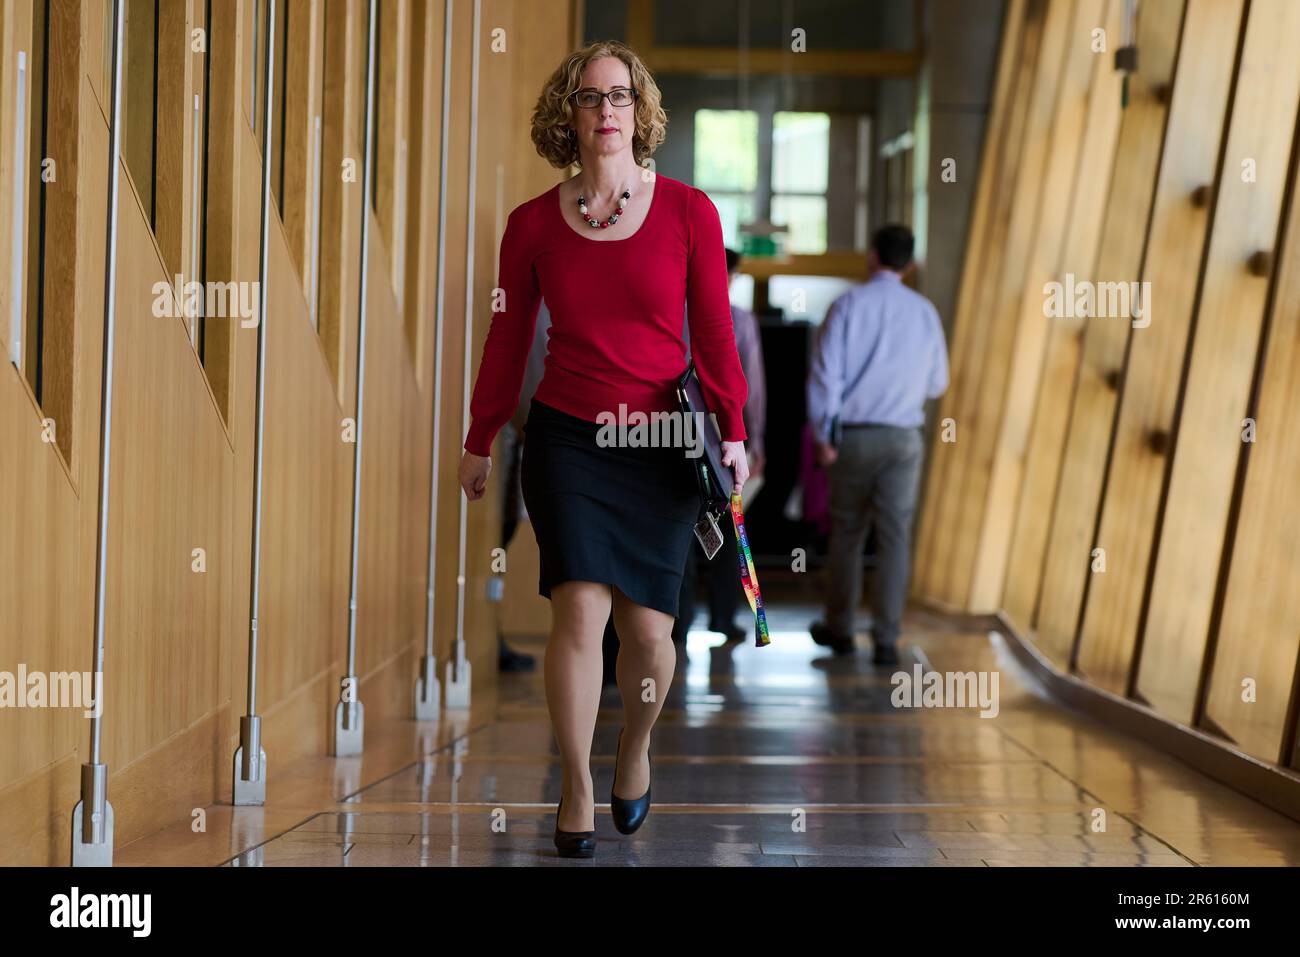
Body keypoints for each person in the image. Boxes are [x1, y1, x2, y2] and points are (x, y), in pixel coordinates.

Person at [457, 41, 749, 859]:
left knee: (651, 635)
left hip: (660, 441)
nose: (608, 110)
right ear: (570, 116)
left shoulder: (691, 213)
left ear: (640, 112)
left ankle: (636, 744)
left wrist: (734, 431)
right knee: (580, 610)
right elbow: (508, 337)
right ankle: (578, 783)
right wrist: (480, 437)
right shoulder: (531, 226)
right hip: (570, 438)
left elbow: (716, 333)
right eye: (591, 98)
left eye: (621, 96)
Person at [806, 224, 948, 665]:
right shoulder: (924, 312)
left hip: (855, 436)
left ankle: (841, 629)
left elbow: (826, 376)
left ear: (871, 257)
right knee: (895, 536)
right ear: (910, 264)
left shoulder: (847, 305)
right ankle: (887, 637)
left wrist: (823, 434)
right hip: (904, 438)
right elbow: (938, 380)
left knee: (847, 534)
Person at [672, 247, 766, 646]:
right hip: (724, 441)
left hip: (671, 434)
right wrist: (753, 439)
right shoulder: (739, 320)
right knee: (726, 531)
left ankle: (679, 621)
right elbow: (752, 386)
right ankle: (724, 618)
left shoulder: (671, 312)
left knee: (680, 529)